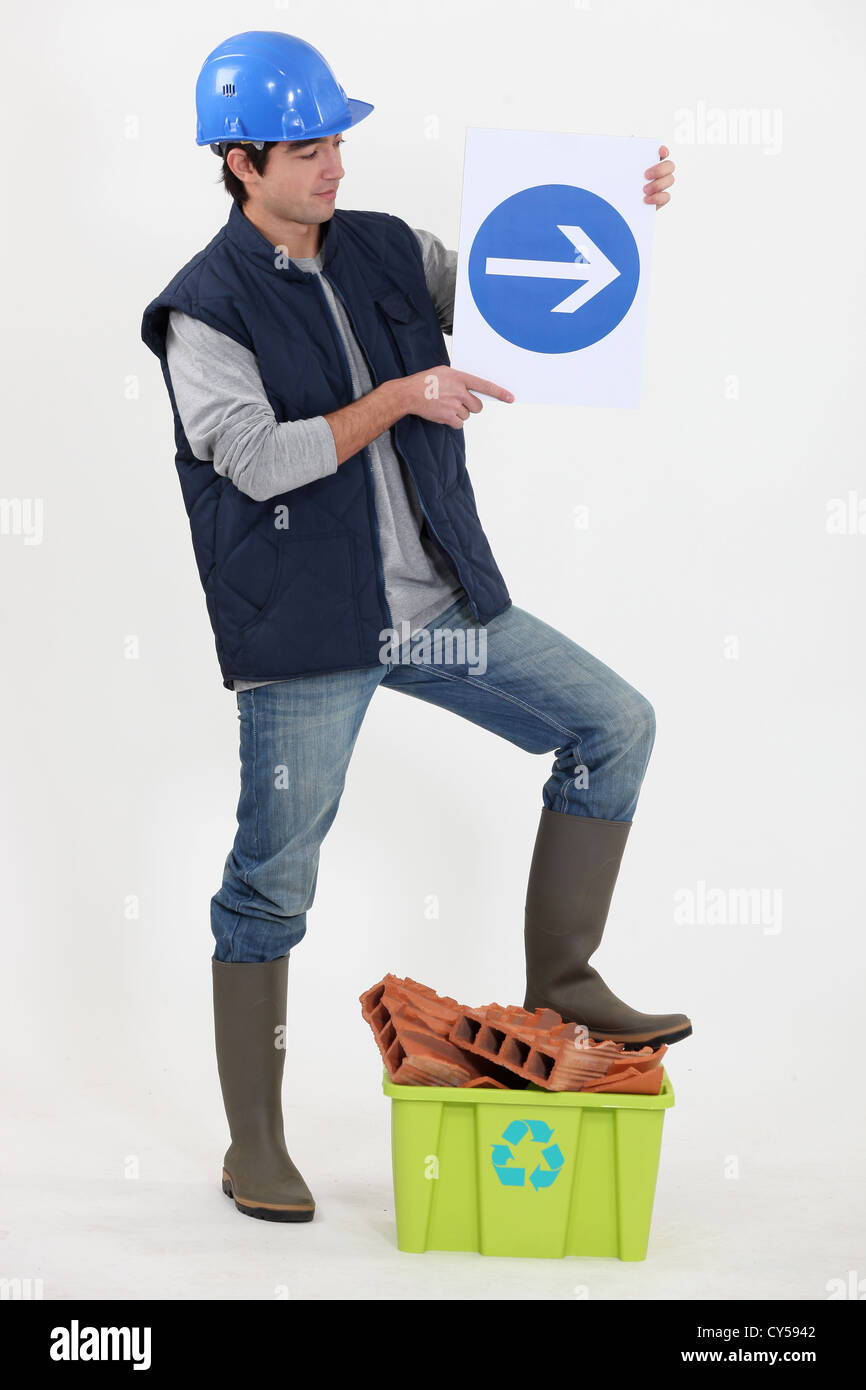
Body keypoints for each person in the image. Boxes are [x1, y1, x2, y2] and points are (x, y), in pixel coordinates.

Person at [140, 29, 686, 1224]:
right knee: (271, 885)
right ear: (239, 161)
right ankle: (256, 1146)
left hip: (434, 608)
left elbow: (515, 276)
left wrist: (620, 212)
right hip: (311, 632)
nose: (334, 163)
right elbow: (254, 459)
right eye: (306, 146)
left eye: (340, 137)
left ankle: (566, 980)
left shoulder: (386, 250)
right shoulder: (203, 308)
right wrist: (397, 396)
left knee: (611, 724)